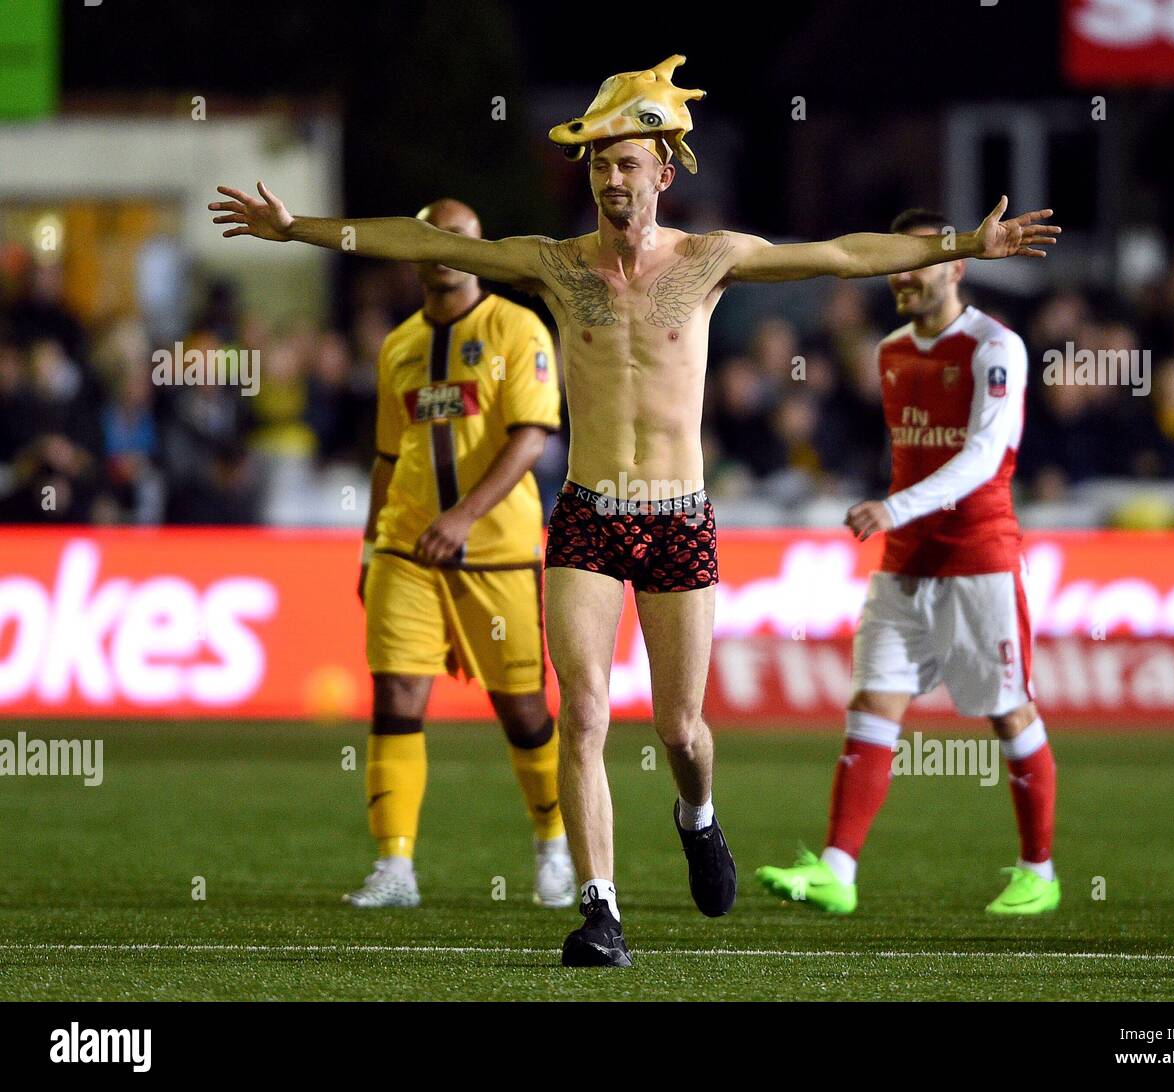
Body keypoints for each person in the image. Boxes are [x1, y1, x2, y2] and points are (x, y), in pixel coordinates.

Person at [210, 55, 1059, 965]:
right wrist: (296, 228)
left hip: (680, 519)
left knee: (682, 730)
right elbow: (426, 245)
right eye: (599, 165)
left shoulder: (709, 260)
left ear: (664, 169)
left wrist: (960, 245)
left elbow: (847, 254)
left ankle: (697, 815)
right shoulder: (554, 265)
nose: (612, 180)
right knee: (583, 717)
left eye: (627, 164)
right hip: (587, 516)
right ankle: (601, 909)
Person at [757, 208, 1060, 917]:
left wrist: (894, 507)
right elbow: (910, 452)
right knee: (871, 706)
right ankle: (838, 870)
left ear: (956, 266)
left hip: (978, 559)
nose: (902, 274)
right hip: (904, 565)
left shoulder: (995, 347)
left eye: (917, 261)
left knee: (1009, 713)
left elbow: (984, 456)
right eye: (894, 261)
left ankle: (1038, 872)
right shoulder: (891, 350)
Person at [346, 198, 573, 911]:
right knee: (396, 696)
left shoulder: (517, 327)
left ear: (483, 250)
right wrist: (369, 541)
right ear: (413, 251)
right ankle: (395, 867)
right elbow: (388, 455)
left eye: (462, 239)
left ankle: (555, 845)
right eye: (432, 238)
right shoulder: (398, 346)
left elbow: (531, 438)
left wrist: (464, 517)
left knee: (524, 709)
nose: (444, 249)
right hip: (406, 547)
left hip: (497, 551)